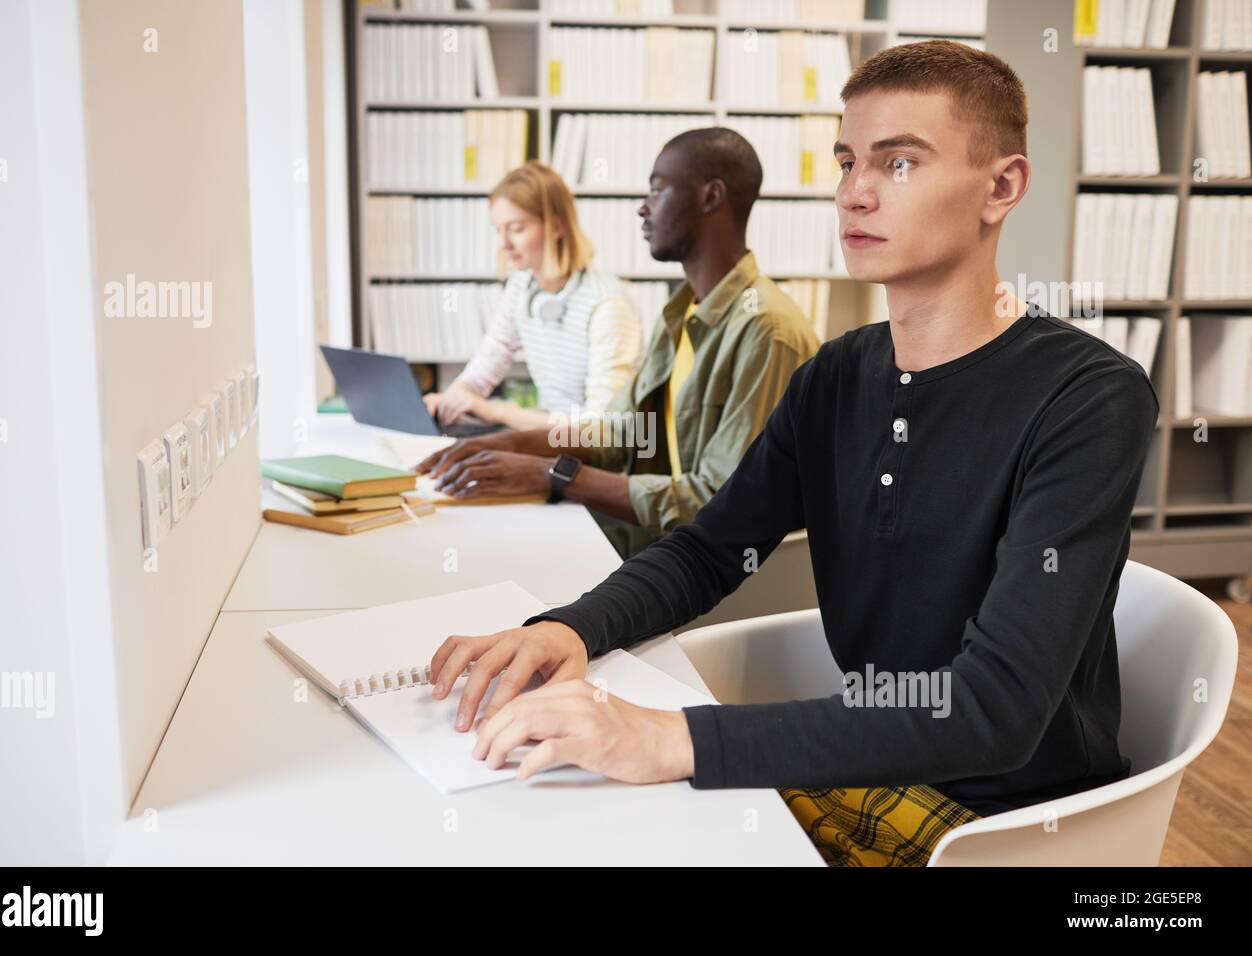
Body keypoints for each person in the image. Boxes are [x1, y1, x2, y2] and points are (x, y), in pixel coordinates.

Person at [425, 41, 1160, 867]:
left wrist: (671, 740)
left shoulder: (1089, 397)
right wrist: (570, 629)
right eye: (848, 161)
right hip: (870, 765)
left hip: (1004, 823)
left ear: (1003, 187)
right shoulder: (838, 375)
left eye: (901, 163)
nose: (855, 192)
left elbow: (995, 709)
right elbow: (710, 549)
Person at [418, 129, 820, 558]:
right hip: (665, 543)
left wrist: (551, 475)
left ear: (710, 198)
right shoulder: (681, 315)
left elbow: (718, 501)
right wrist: (501, 446)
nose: (643, 208)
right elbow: (619, 433)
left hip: (716, 570)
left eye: (658, 190)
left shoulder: (767, 332)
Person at [423, 161, 642, 431]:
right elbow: (489, 360)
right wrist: (453, 399)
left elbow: (600, 430)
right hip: (559, 440)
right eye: (498, 230)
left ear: (557, 227)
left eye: (516, 229)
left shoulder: (607, 304)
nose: (504, 245)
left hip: (604, 450)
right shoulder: (522, 286)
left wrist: (498, 411)